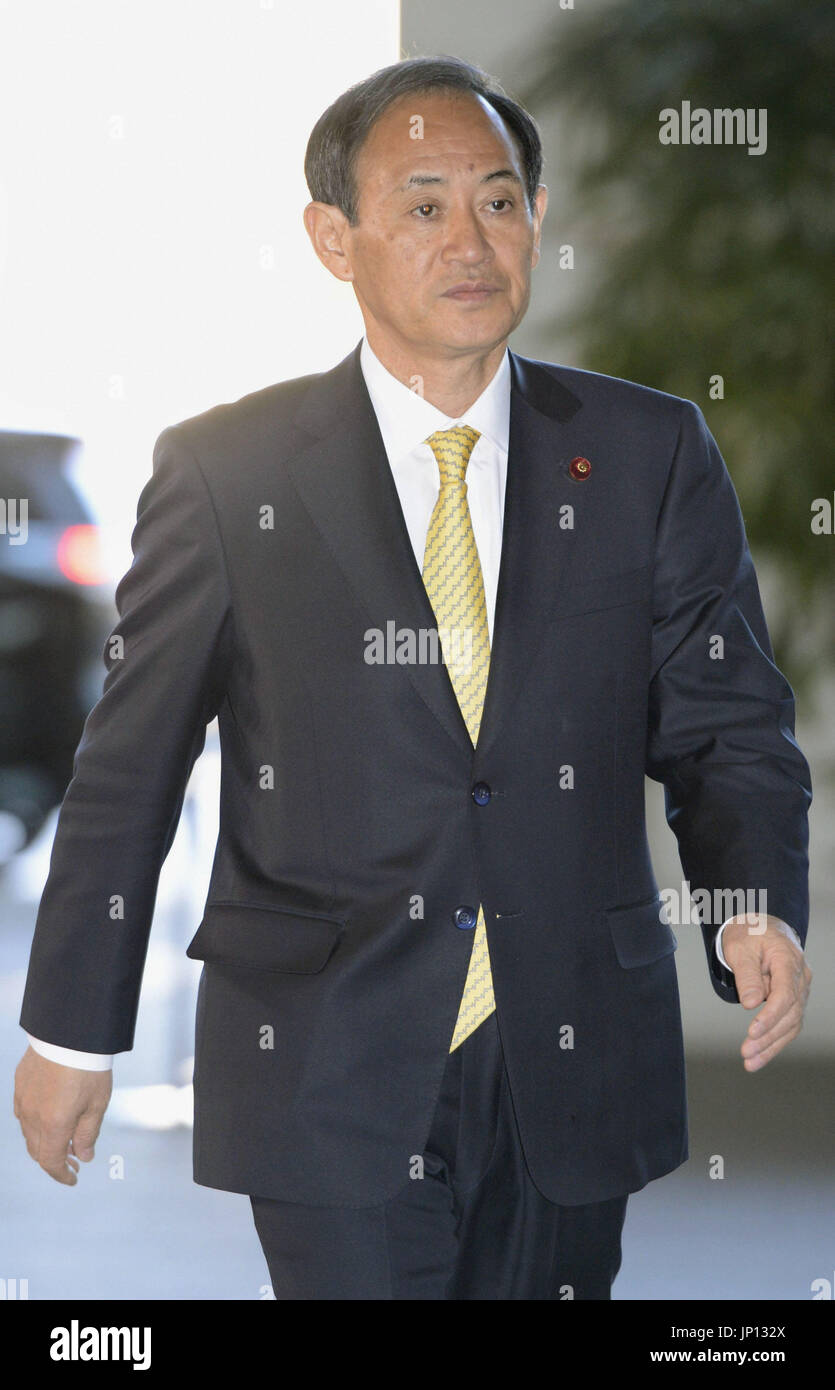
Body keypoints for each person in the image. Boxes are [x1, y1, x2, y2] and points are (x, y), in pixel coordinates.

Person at [14, 56, 812, 1300]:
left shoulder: (646, 452)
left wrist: (750, 900)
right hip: (327, 1055)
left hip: (570, 1049)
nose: (471, 240)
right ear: (334, 239)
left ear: (537, 222)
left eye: (499, 201)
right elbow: (132, 763)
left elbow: (726, 722)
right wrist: (70, 1028)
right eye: (425, 203)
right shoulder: (233, 472)